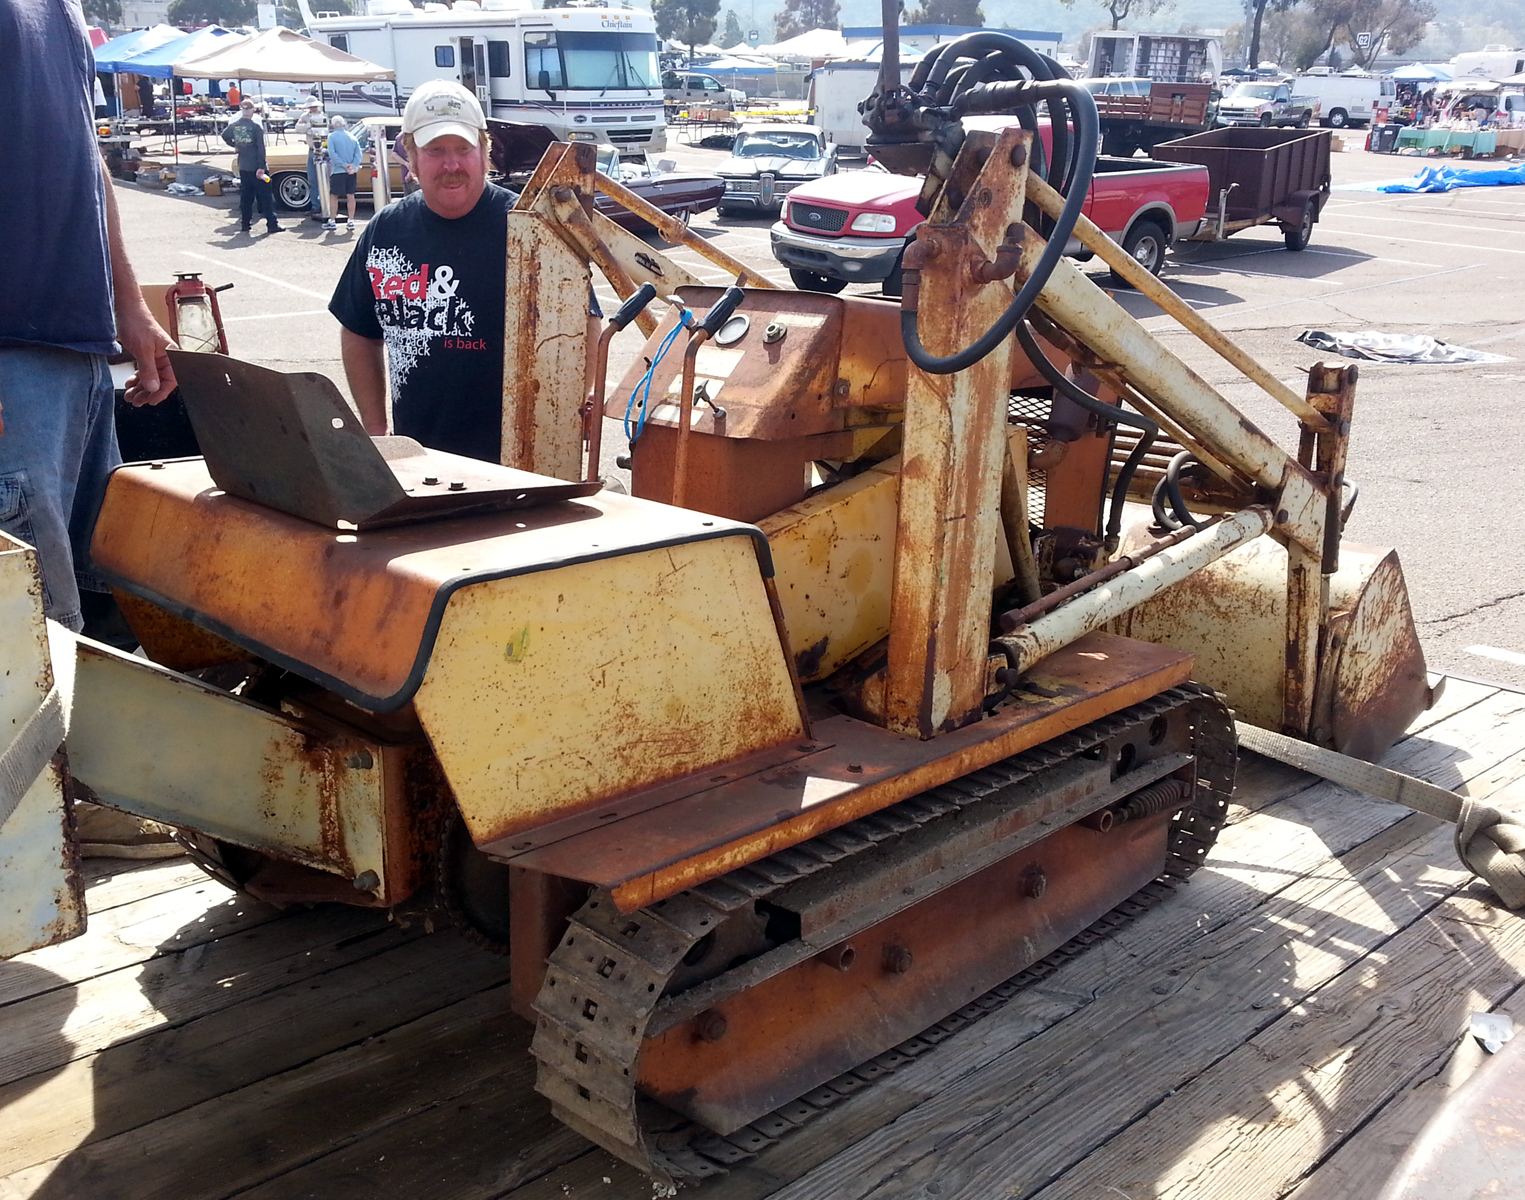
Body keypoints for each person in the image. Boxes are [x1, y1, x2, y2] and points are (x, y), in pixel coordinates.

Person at [0, 0, 177, 631]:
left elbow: (84, 151)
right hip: (11, 364)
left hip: (81, 356)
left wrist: (128, 306)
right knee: (26, 651)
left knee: (97, 619)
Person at [329, 81, 516, 460]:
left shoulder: (527, 228)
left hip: (518, 460)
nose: (452, 164)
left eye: (464, 149)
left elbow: (584, 321)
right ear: (411, 157)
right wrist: (376, 430)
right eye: (435, 151)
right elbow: (359, 331)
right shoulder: (386, 230)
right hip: (421, 461)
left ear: (485, 151)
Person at [221, 98, 282, 235]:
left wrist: (235, 145)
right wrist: (261, 166)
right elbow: (261, 147)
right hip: (257, 165)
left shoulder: (235, 125)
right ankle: (272, 224)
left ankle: (245, 224)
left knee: (246, 197)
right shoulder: (255, 126)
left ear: (242, 110)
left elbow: (224, 136)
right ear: (253, 110)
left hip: (243, 165)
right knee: (266, 196)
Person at [324, 114, 362, 233]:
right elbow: (358, 154)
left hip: (338, 171)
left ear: (333, 125)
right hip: (351, 171)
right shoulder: (352, 137)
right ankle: (351, 220)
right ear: (344, 124)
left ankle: (332, 220)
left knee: (334, 195)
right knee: (350, 195)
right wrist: (352, 165)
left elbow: (332, 154)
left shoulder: (332, 137)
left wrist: (343, 165)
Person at [295, 96, 329, 223]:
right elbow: (298, 128)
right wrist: (311, 126)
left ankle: (325, 205)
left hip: (322, 149)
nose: (313, 108)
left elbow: (324, 130)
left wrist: (309, 127)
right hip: (312, 149)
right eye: (311, 107)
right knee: (312, 179)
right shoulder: (305, 116)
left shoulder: (323, 115)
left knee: (324, 179)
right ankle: (316, 206)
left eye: (314, 106)